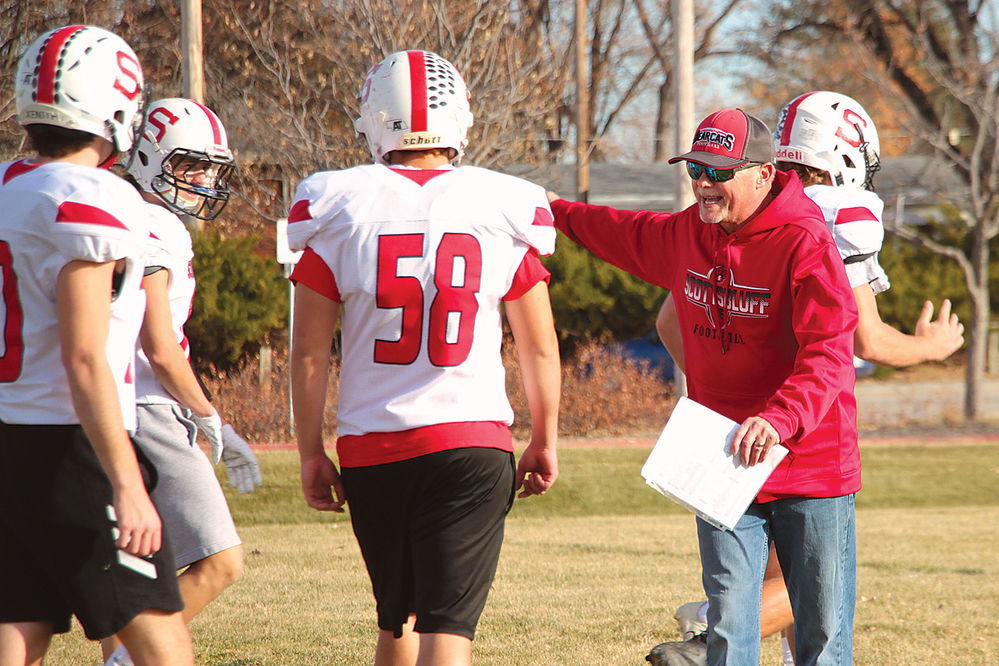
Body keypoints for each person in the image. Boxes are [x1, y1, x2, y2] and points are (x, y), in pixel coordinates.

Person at [648, 92, 965, 666]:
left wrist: (725, 385)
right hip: (806, 436)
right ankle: (706, 639)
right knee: (815, 604)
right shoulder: (834, 212)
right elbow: (863, 339)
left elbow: (671, 320)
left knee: (769, 583)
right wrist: (932, 346)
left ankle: (717, 632)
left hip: (736, 433)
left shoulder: (748, 203)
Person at [551, 108, 860, 665]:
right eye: (696, 168)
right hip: (723, 456)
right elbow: (618, 231)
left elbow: (830, 350)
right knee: (728, 624)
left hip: (809, 461)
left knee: (821, 636)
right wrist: (547, 211)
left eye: (718, 171)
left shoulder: (805, 241)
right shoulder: (690, 231)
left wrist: (779, 418)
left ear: (763, 175)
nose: (703, 183)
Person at [287, 50, 561, 666]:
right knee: (447, 630)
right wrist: (544, 437)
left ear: (374, 119)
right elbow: (539, 346)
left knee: (398, 622)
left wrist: (309, 449)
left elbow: (308, 354)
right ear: (459, 118)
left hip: (373, 446)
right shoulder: (501, 205)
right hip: (471, 440)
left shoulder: (338, 206)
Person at [0, 25, 193, 665]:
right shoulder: (88, 198)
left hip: (9, 436)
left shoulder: (6, 185)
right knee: (162, 639)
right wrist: (126, 481)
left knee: (20, 625)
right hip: (68, 440)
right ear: (117, 105)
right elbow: (84, 356)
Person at [100, 97, 261, 666]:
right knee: (221, 559)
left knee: (130, 569)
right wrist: (211, 414)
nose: (204, 181)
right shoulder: (156, 225)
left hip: (102, 403)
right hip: (147, 404)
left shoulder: (108, 205)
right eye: (191, 165)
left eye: (212, 169)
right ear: (148, 155)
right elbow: (161, 350)